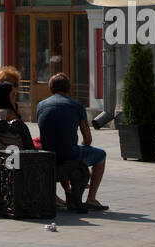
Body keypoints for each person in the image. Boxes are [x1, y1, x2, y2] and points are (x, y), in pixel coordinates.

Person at [36, 72, 108, 212]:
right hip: (70, 155)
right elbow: (88, 139)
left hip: (48, 155)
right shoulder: (76, 106)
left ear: (50, 89)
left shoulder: (40, 105)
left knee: (61, 149)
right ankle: (91, 199)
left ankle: (69, 193)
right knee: (101, 155)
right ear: (69, 89)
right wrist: (82, 144)